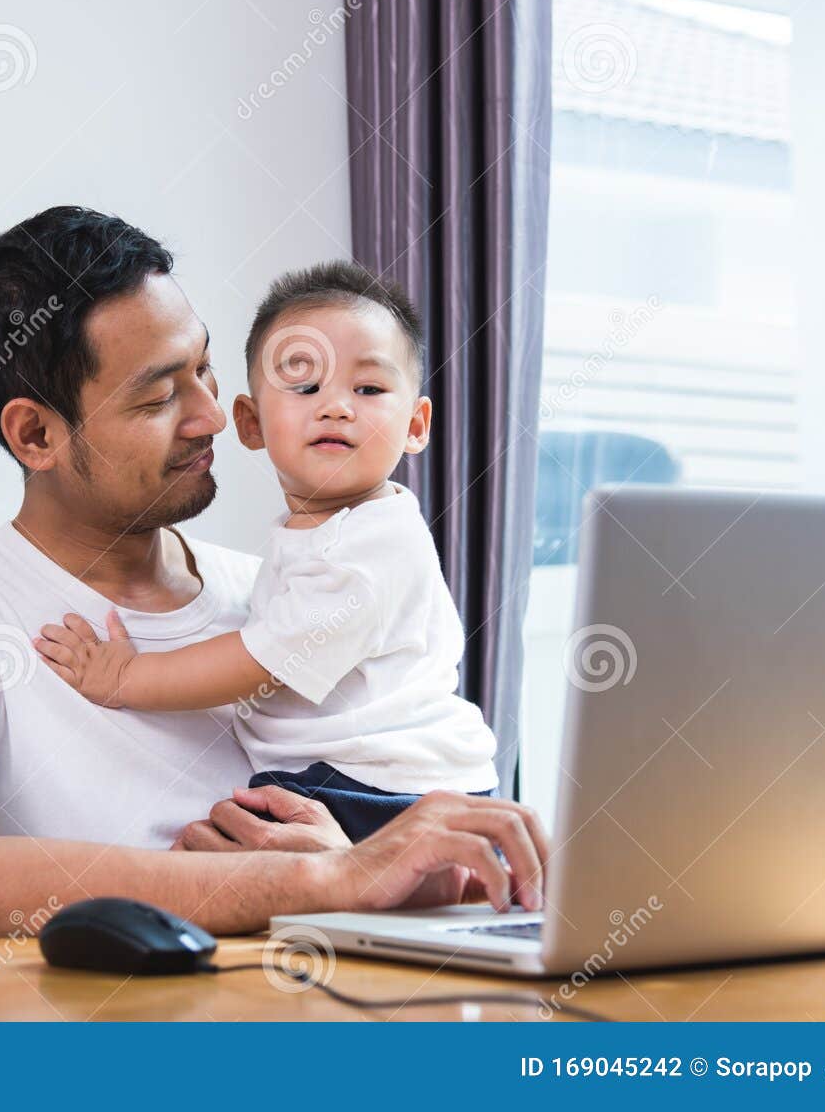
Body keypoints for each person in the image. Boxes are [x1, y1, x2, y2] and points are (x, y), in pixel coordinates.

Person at [0, 206, 546, 942]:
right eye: (157, 396)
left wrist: (351, 872)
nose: (212, 415)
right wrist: (316, 881)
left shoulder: (279, 591)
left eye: (203, 366)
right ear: (37, 434)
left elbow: (394, 862)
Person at [34, 262, 498, 842]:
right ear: (251, 424)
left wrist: (127, 677)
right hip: (358, 778)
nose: (336, 407)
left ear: (416, 423)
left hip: (386, 786)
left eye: (370, 389)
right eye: (305, 387)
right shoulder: (324, 528)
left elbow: (259, 661)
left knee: (215, 852)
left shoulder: (373, 547)